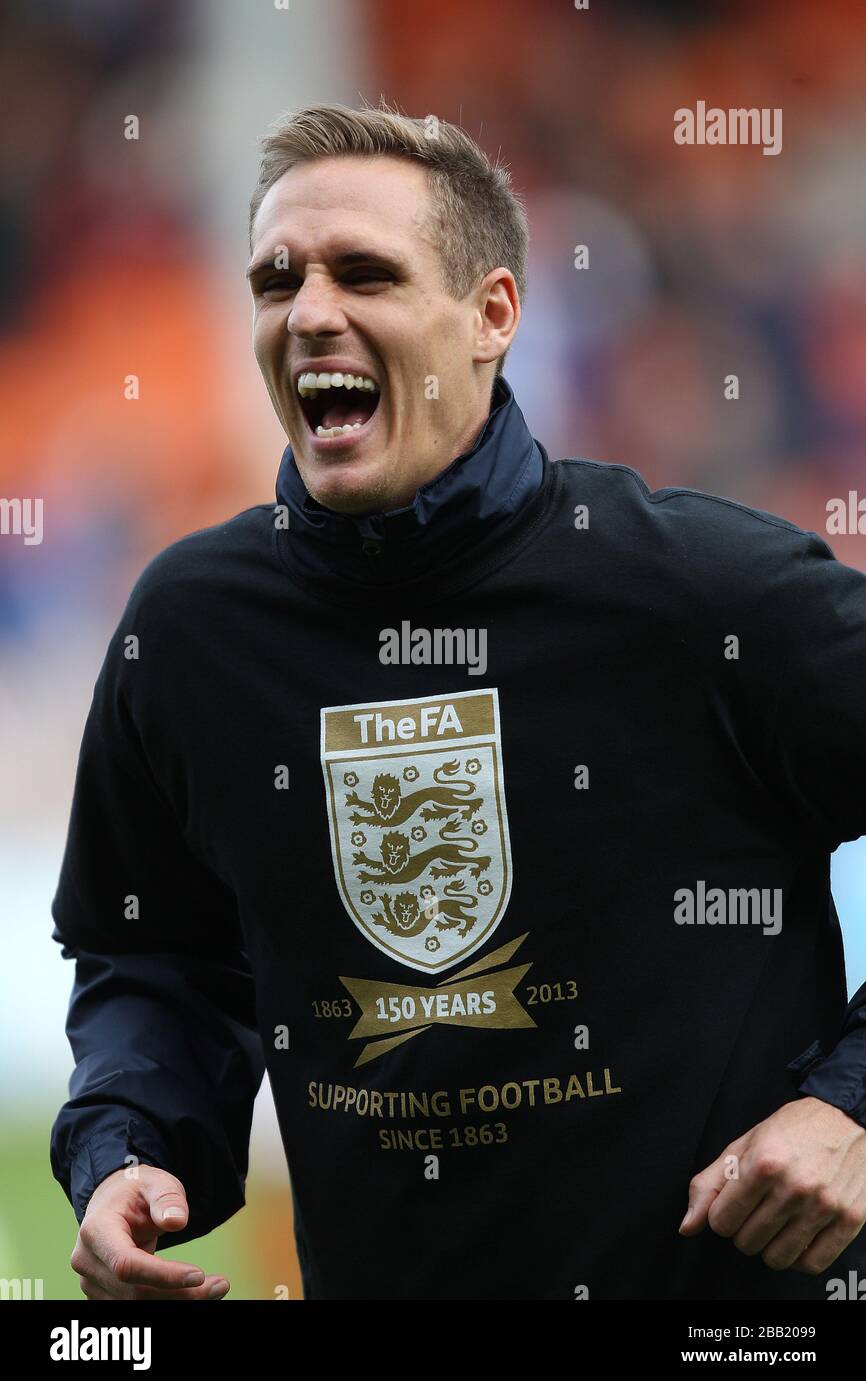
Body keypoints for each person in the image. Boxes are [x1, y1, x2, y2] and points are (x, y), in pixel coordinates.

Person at [51, 102, 866, 1301]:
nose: (308, 311)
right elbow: (151, 953)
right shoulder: (188, 632)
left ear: (491, 316)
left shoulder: (704, 594)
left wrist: (848, 1108)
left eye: (364, 273)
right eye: (275, 280)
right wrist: (128, 1144)